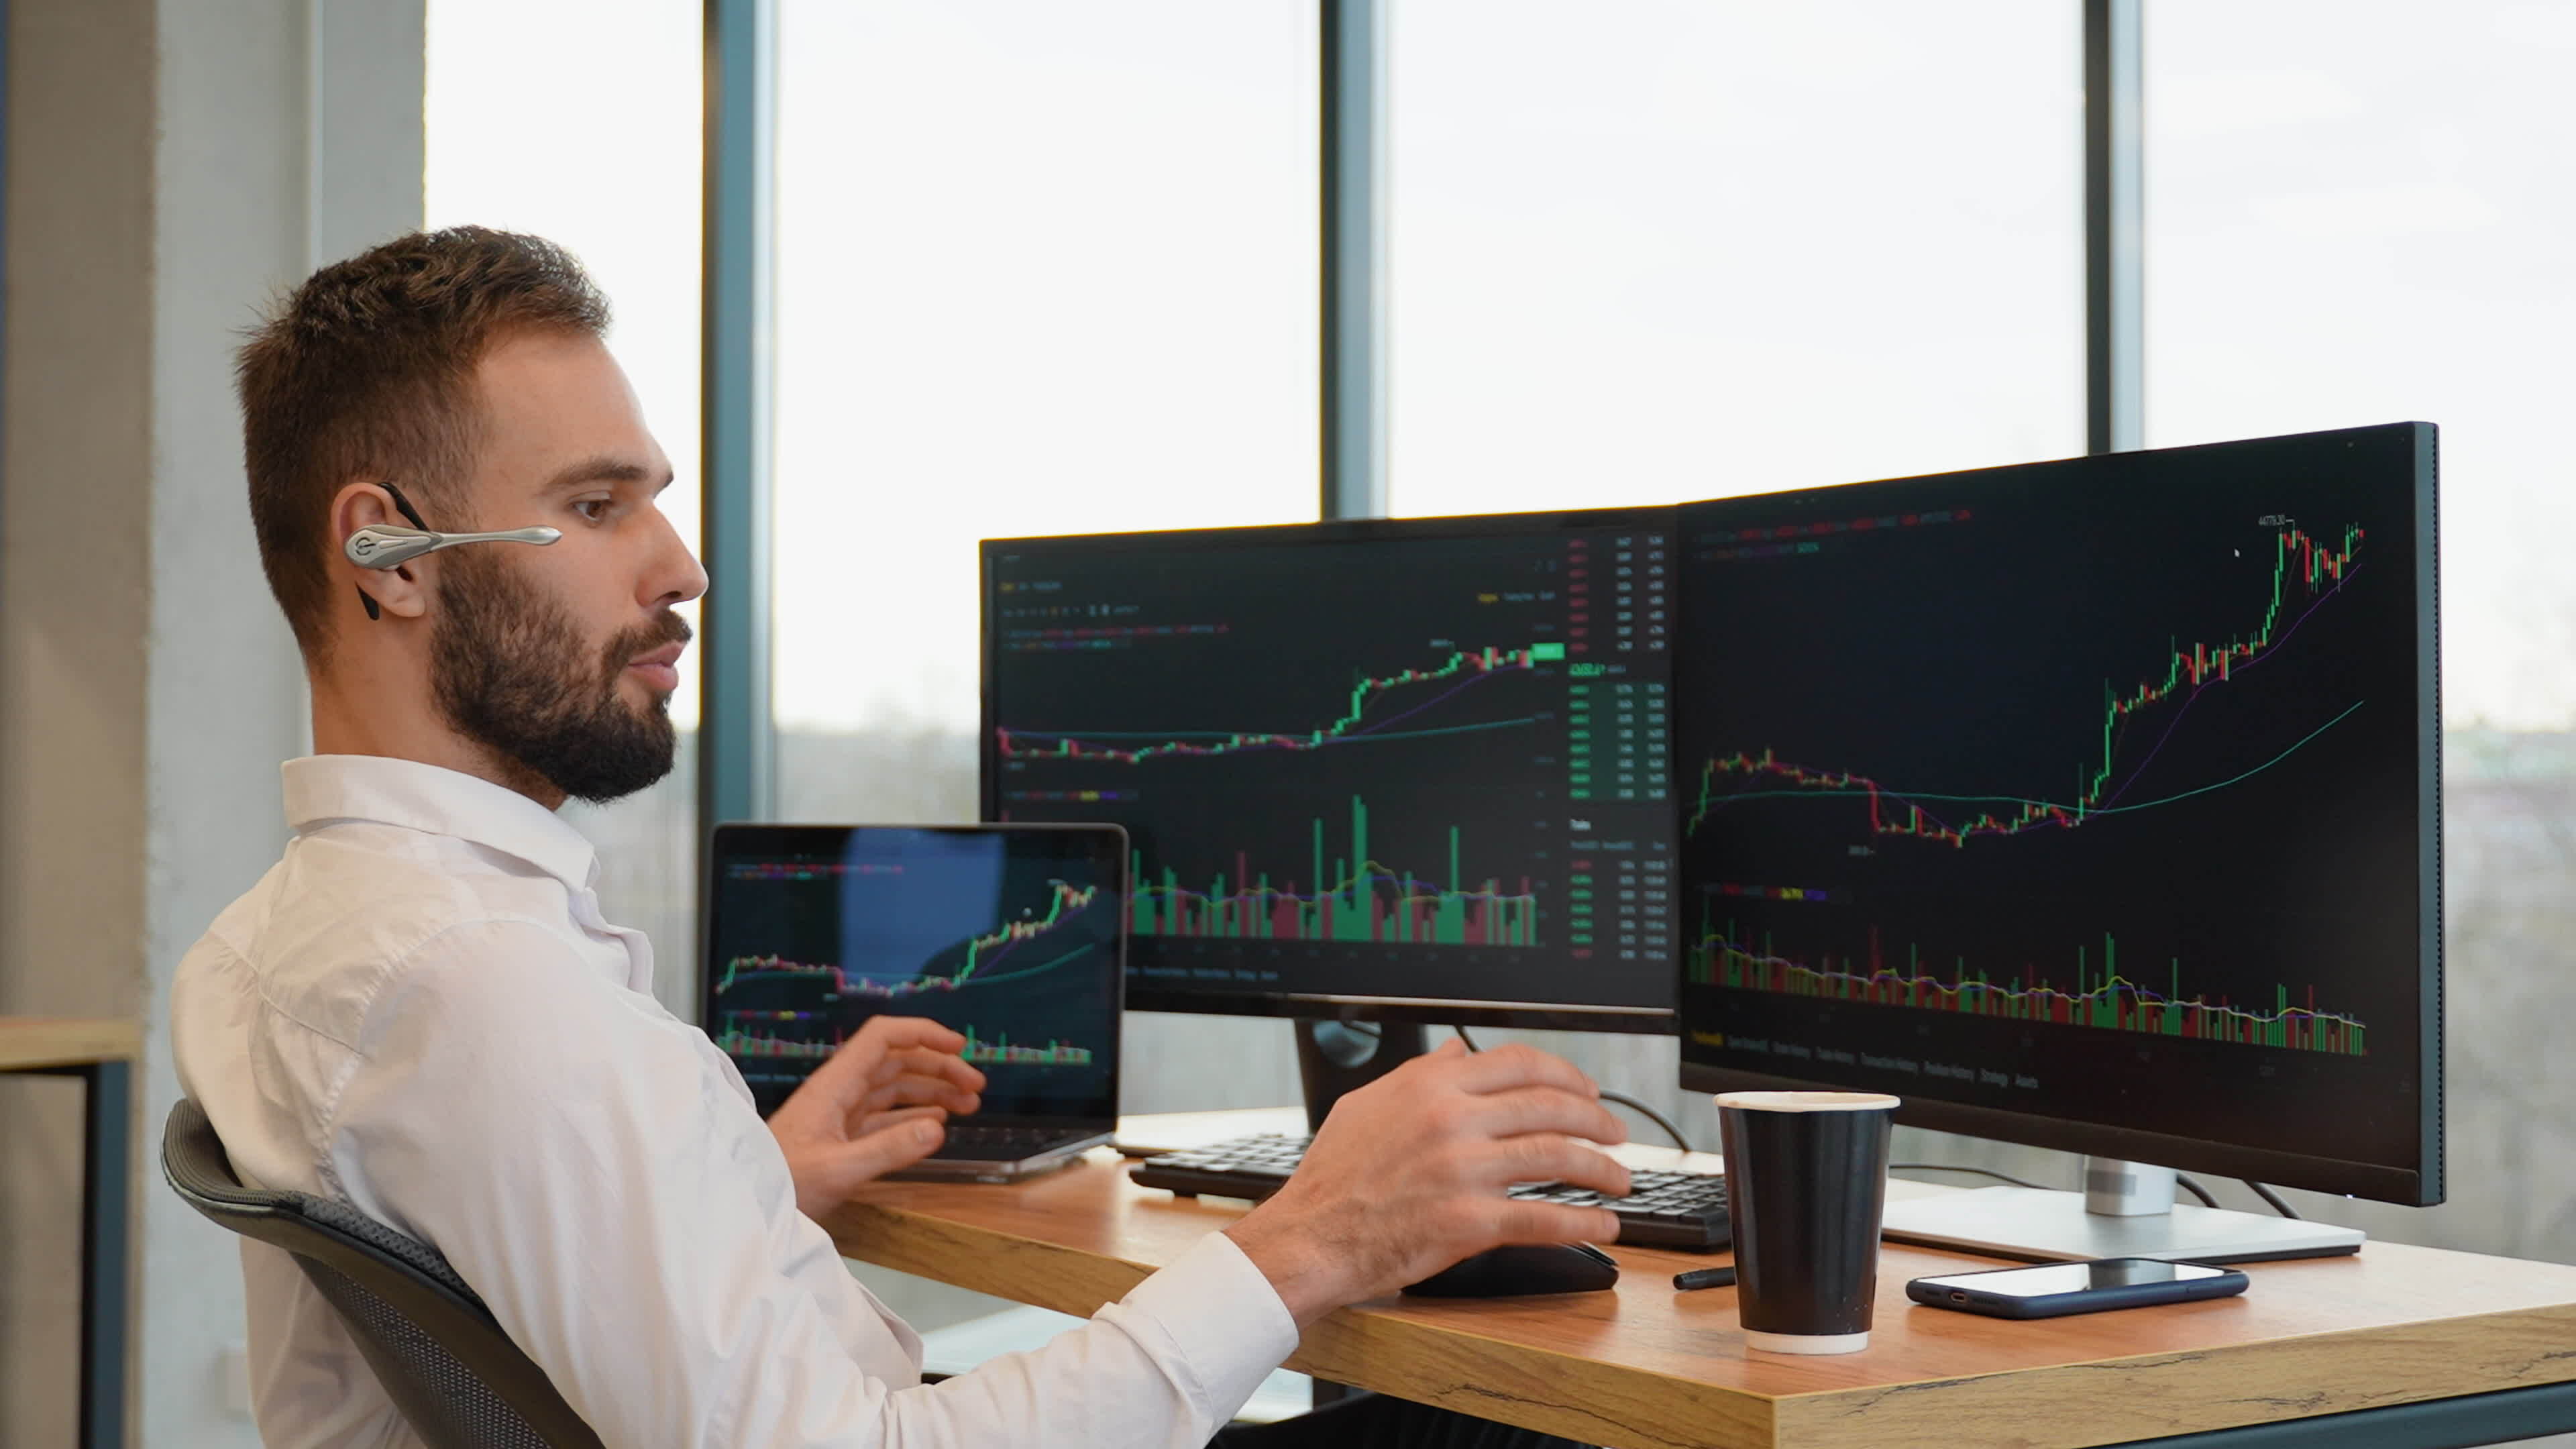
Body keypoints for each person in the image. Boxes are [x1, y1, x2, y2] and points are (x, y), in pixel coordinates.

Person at [172, 227, 1635, 1448]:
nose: (681, 567)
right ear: (389, 558)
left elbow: (511, 1267)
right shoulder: (488, 987)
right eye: (597, 506)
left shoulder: (280, 943)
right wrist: (1314, 1239)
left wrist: (747, 1178)